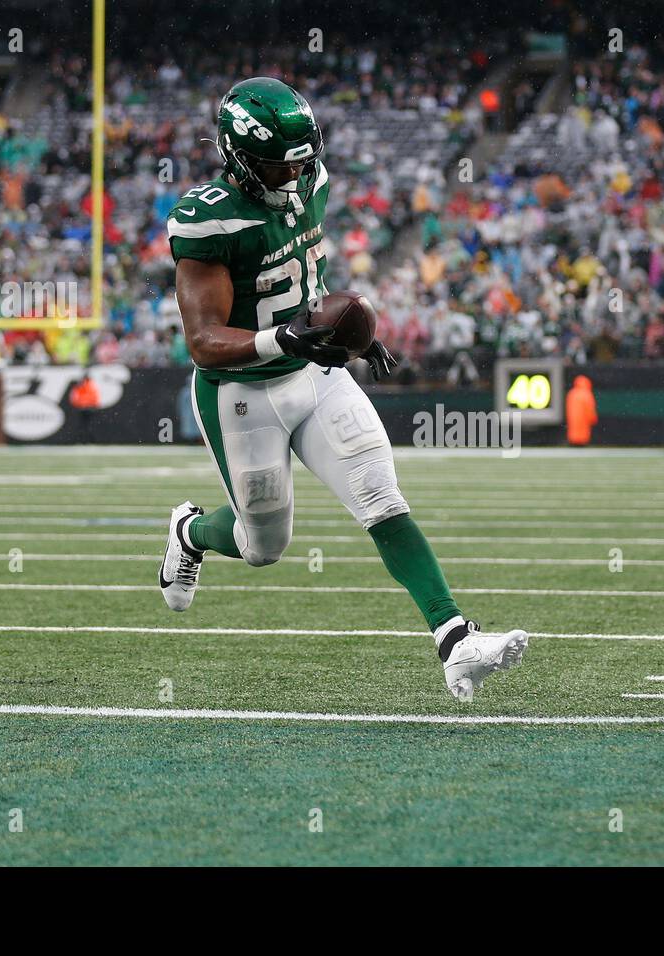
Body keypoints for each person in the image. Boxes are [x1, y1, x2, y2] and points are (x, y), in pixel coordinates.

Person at [157, 78, 527, 700]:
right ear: (241, 158)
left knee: (381, 495)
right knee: (261, 545)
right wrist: (287, 338)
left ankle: (455, 641)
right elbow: (203, 341)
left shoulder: (312, 186)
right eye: (281, 163)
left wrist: (346, 334)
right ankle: (190, 533)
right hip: (240, 394)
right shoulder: (210, 220)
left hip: (315, 375)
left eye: (303, 160)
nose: (296, 175)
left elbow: (306, 287)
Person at [565, 374, 598, 446]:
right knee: (582, 437)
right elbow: (590, 408)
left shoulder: (572, 393)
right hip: (584, 421)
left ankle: (574, 442)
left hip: (573, 420)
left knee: (574, 435)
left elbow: (568, 409)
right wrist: (593, 418)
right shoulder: (587, 394)